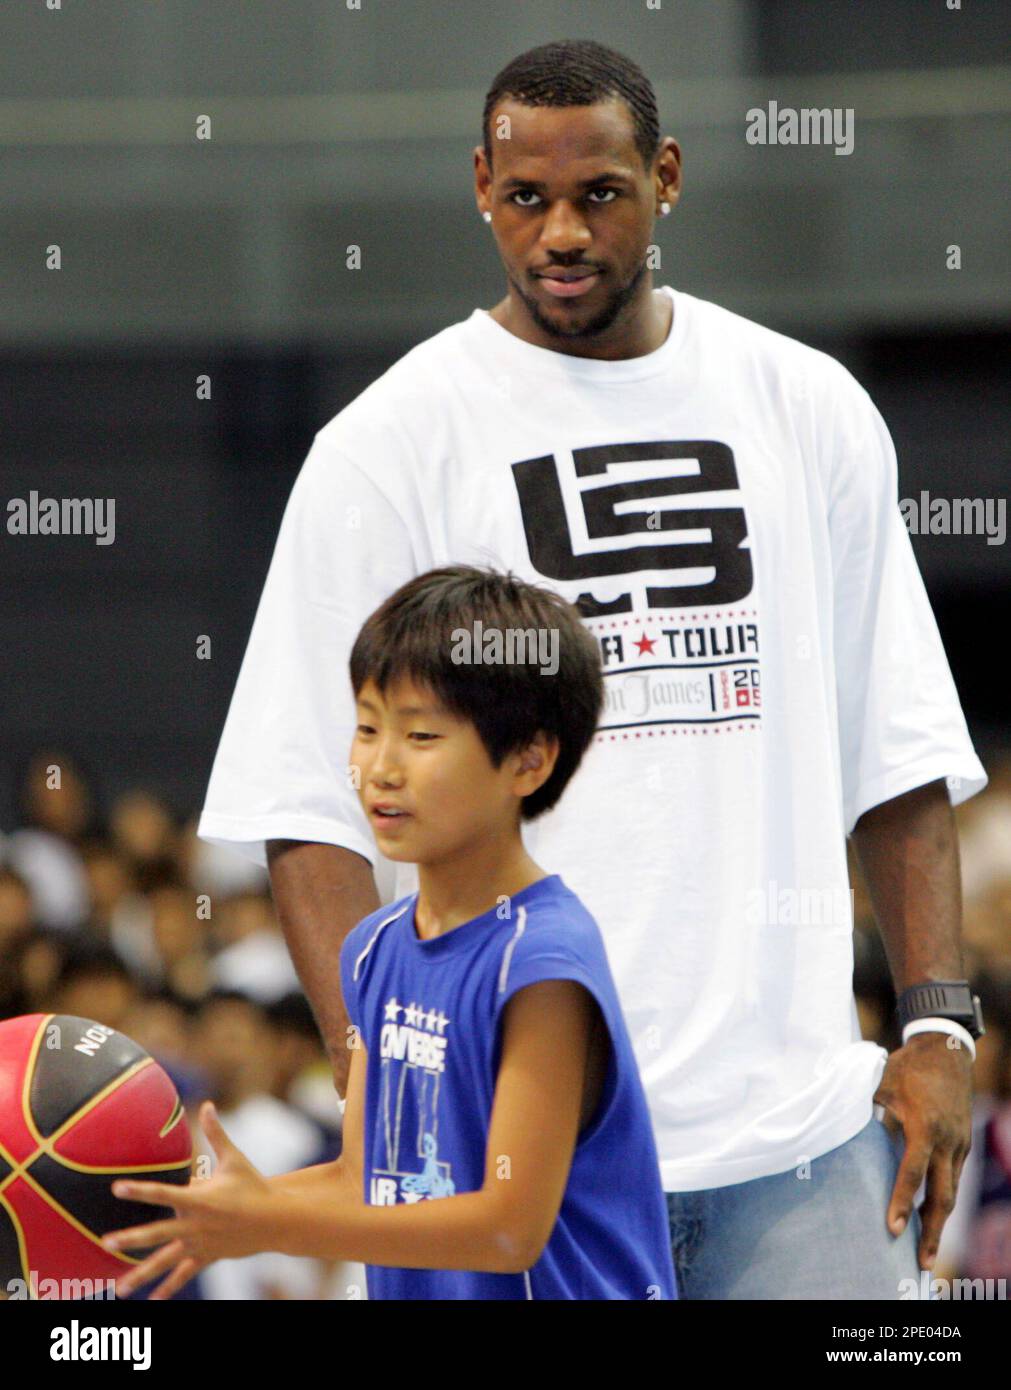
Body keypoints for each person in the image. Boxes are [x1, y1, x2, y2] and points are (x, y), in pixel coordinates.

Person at [195, 39, 988, 1298]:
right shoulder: (386, 447)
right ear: (480, 189)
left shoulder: (807, 407)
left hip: (803, 1150)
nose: (561, 232)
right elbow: (307, 812)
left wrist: (940, 1021)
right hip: (522, 1165)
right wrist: (390, 1082)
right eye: (527, 199)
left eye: (600, 194)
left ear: (665, 178)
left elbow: (896, 753)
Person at [104, 568, 677, 1300]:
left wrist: (270, 1225)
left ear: (528, 760)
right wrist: (226, 1207)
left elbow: (509, 1228)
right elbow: (365, 1178)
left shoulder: (541, 959)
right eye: (368, 727)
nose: (380, 767)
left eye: (421, 735)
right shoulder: (372, 949)